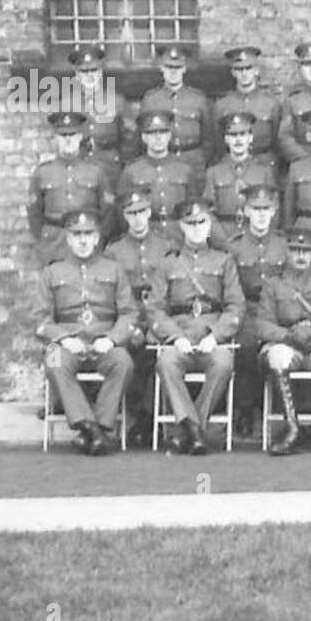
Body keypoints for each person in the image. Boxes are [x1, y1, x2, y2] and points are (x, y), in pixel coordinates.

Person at [145, 198, 246, 454]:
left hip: (211, 336)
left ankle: (188, 429)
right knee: (166, 363)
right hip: (180, 334)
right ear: (182, 226)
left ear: (210, 224)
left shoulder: (224, 261)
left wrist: (216, 335)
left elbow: (236, 307)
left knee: (224, 364)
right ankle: (196, 431)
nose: (197, 228)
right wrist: (175, 337)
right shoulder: (168, 263)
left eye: (202, 222)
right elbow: (155, 308)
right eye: (191, 224)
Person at [34, 210, 135, 455]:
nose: (82, 240)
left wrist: (111, 340)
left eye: (88, 234)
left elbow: (129, 313)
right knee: (53, 360)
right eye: (76, 234)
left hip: (103, 341)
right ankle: (92, 429)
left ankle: (96, 427)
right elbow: (40, 319)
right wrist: (64, 339)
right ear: (67, 238)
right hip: (67, 343)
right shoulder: (52, 272)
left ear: (97, 237)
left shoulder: (113, 269)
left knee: (123, 362)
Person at [253, 221, 311, 455]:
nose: (301, 256)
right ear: (287, 251)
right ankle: (291, 428)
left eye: (306, 251)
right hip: (287, 346)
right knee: (277, 356)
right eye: (296, 250)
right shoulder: (273, 284)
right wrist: (287, 335)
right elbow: (262, 325)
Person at [104, 186, 175, 448]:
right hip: (130, 313)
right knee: (133, 348)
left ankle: (152, 417)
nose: (137, 219)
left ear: (149, 212)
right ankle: (139, 414)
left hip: (159, 312)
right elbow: (112, 292)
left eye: (141, 212)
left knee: (159, 346)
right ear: (124, 216)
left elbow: (172, 288)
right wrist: (129, 324)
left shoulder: (166, 246)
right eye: (131, 213)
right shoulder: (114, 250)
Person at [225, 185, 291, 437]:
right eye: (256, 209)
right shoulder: (234, 247)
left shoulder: (284, 245)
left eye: (266, 209)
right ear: (245, 212)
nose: (261, 215)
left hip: (279, 314)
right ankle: (245, 408)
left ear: (274, 211)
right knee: (245, 345)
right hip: (248, 310)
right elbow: (230, 288)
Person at [27, 111, 114, 266]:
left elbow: (107, 210)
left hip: (87, 242)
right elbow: (34, 211)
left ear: (80, 137)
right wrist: (45, 237)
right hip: (54, 245)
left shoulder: (95, 171)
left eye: (72, 135)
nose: (68, 140)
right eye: (63, 135)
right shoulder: (43, 172)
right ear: (55, 138)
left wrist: (97, 238)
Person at [117, 110, 202, 247]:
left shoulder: (185, 169)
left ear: (169, 135)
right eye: (152, 133)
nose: (158, 138)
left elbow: (194, 209)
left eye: (162, 132)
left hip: (178, 235)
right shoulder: (132, 171)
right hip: (147, 237)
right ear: (144, 138)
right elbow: (122, 214)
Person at [203, 112, 277, 250]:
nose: (238, 140)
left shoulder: (263, 171)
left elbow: (274, 210)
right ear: (226, 139)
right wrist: (223, 241)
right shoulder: (214, 172)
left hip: (255, 238)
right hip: (224, 236)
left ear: (250, 138)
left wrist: (261, 239)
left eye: (242, 134)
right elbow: (208, 212)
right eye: (233, 135)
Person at [139, 43, 215, 174]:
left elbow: (209, 136)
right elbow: (141, 136)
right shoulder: (151, 99)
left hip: (193, 161)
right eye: (169, 67)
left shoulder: (198, 99)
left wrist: (201, 159)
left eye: (177, 67)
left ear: (184, 69)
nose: (173, 71)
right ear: (161, 68)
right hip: (163, 161)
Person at [68, 43, 125, 190]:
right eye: (84, 71)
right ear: (77, 75)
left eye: (93, 70)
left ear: (100, 72)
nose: (89, 75)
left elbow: (129, 139)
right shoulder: (67, 103)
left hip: (110, 166)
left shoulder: (116, 100)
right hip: (80, 165)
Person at [214, 45, 281, 164]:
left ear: (256, 70)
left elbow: (277, 141)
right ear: (233, 72)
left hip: (264, 164)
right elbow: (218, 143)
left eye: (248, 68)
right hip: (233, 164)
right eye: (239, 69)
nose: (244, 73)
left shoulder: (271, 104)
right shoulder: (222, 105)